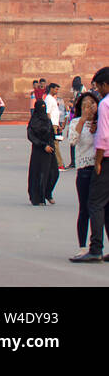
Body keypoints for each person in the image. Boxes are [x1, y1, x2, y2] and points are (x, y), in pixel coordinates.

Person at [70, 68, 109, 263]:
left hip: (102, 163)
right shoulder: (79, 121)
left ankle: (95, 248)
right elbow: (73, 140)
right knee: (98, 207)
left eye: (92, 103)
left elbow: (103, 138)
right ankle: (90, 247)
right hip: (90, 167)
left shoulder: (104, 109)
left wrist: (99, 162)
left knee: (96, 205)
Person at [27, 100, 58, 206]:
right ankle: (39, 197)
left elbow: (52, 134)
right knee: (39, 174)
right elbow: (31, 136)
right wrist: (43, 145)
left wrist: (53, 144)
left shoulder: (48, 120)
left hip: (50, 150)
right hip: (38, 150)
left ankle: (47, 193)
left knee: (54, 173)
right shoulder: (33, 121)